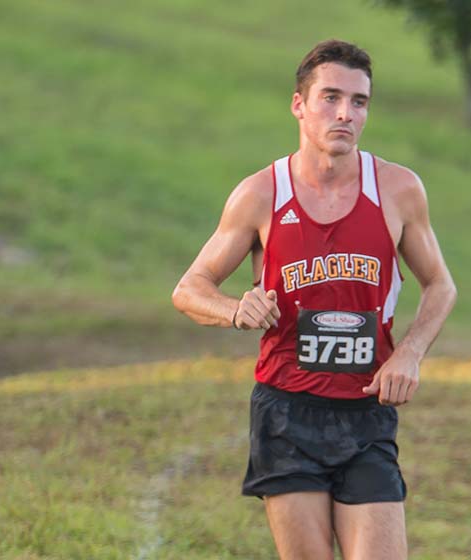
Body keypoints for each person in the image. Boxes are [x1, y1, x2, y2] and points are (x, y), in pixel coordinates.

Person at [172, 39, 456, 560]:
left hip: (366, 411)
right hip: (286, 413)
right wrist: (234, 309)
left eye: (359, 101)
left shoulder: (398, 189)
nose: (346, 113)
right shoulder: (261, 194)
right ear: (299, 105)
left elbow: (440, 284)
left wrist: (410, 353)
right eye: (331, 97)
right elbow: (190, 288)